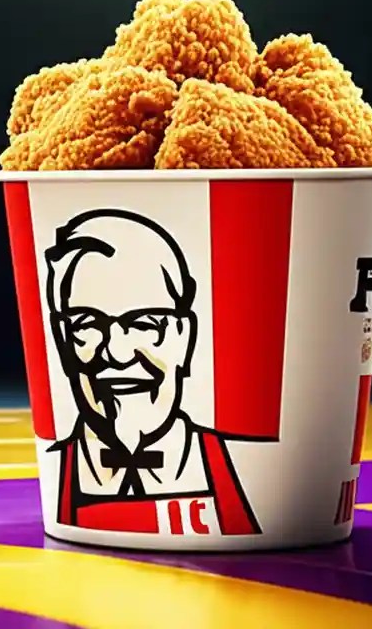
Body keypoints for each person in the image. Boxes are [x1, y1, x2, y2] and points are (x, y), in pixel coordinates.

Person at [43, 209, 260, 536]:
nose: (117, 352)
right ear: (62, 342)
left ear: (185, 337)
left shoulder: (259, 471)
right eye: (87, 324)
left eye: (145, 323)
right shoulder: (53, 469)